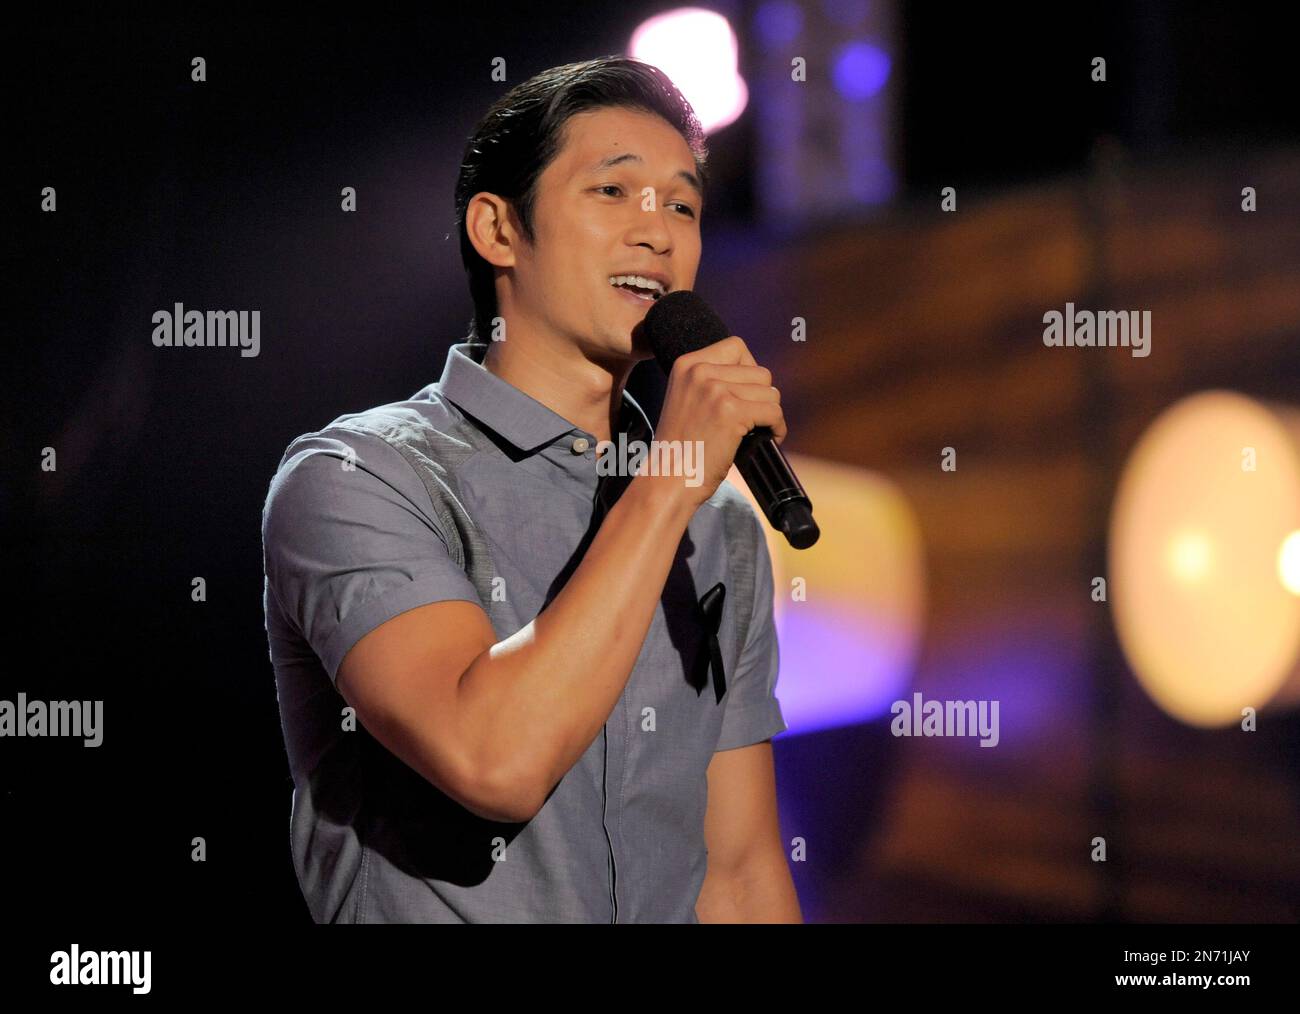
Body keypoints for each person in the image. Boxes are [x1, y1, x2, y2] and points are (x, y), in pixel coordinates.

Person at [261, 55, 802, 923]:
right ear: (498, 229)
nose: (658, 232)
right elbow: (494, 760)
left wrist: (679, 490)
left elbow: (738, 872)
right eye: (614, 192)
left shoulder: (719, 521)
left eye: (684, 204)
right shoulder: (360, 477)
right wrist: (666, 488)